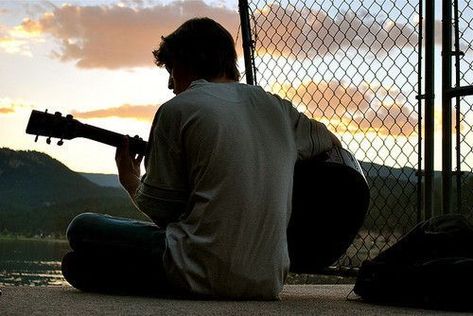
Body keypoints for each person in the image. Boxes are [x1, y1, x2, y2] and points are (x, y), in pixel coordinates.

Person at [61, 17, 340, 300]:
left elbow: (164, 213)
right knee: (77, 265)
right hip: (267, 281)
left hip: (198, 270)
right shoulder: (280, 109)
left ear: (189, 60)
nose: (170, 83)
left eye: (171, 69)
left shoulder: (177, 109)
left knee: (81, 230)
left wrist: (131, 180)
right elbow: (331, 143)